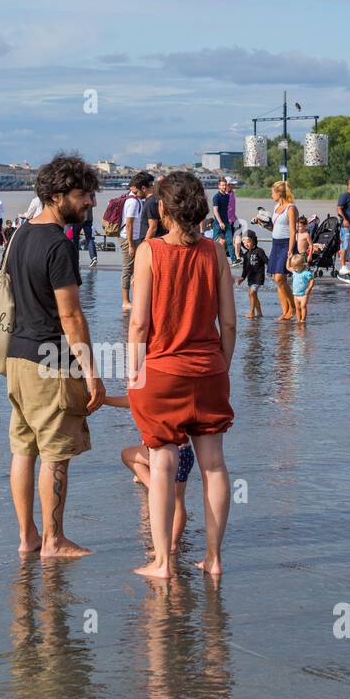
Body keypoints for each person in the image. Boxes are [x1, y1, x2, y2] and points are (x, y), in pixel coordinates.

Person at [127, 170, 235, 578]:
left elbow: (139, 324)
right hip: (208, 369)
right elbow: (229, 322)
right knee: (214, 465)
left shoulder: (149, 252)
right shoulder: (216, 252)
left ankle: (162, 562)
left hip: (161, 370)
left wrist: (134, 373)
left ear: (162, 208)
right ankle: (214, 559)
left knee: (163, 466)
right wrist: (221, 364)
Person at [5, 153, 104, 559]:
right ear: (58, 195)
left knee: (23, 449)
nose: (91, 203)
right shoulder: (59, 247)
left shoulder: (21, 235)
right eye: (84, 195)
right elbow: (71, 315)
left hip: (16, 356)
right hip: (50, 361)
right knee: (56, 453)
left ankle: (28, 536)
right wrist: (93, 373)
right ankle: (54, 540)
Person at [105, 394, 194, 554]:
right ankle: (173, 544)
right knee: (178, 500)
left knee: (127, 455)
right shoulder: (181, 391)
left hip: (164, 451)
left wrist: (103, 399)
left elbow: (132, 401)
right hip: (185, 450)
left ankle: (157, 490)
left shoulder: (155, 387)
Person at [119, 171, 152, 313]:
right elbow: (129, 224)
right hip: (128, 238)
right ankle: (125, 301)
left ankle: (135, 298)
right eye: (150, 186)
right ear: (142, 188)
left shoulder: (137, 200)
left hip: (135, 237)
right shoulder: (132, 201)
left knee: (137, 269)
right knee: (127, 269)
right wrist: (131, 245)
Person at [267, 180, 298, 319]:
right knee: (276, 278)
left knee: (280, 278)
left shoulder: (291, 208)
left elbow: (293, 232)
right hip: (275, 244)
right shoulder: (276, 207)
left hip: (286, 244)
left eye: (272, 192)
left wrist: (291, 251)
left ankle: (293, 308)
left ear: (279, 193)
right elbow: (275, 227)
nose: (271, 195)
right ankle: (285, 311)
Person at [236, 231, 268, 319]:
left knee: (252, 292)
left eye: (248, 241)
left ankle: (251, 312)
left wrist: (272, 271)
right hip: (251, 278)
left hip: (258, 276)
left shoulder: (259, 251)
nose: (246, 244)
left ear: (254, 240)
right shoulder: (246, 254)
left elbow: (267, 261)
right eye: (244, 242)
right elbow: (245, 268)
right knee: (252, 295)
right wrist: (242, 278)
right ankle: (259, 313)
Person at [211, 176, 238, 263]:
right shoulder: (216, 197)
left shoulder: (227, 196)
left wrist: (230, 219)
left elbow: (229, 209)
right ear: (218, 186)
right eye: (222, 185)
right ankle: (214, 259)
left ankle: (233, 260)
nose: (224, 187)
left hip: (227, 222)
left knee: (229, 241)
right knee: (216, 241)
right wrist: (220, 222)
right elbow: (215, 211)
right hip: (218, 223)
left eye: (225, 185)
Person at [288, 252, 313, 322]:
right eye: (293, 267)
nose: (294, 268)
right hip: (295, 294)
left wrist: (309, 288)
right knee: (297, 308)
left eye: (296, 267)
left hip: (304, 294)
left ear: (302, 265)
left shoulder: (305, 273)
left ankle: (303, 320)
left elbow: (312, 281)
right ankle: (298, 319)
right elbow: (288, 267)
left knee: (303, 306)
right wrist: (289, 259)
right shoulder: (294, 271)